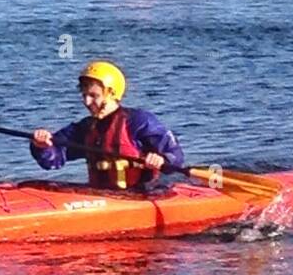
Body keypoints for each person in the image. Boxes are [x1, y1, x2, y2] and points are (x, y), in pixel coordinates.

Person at [30, 61, 185, 192]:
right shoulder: (85, 128)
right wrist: (42, 146)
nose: (87, 102)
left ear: (111, 93)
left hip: (143, 194)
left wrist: (161, 159)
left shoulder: (139, 121)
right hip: (102, 195)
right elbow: (52, 160)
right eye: (84, 95)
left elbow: (175, 156)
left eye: (93, 96)